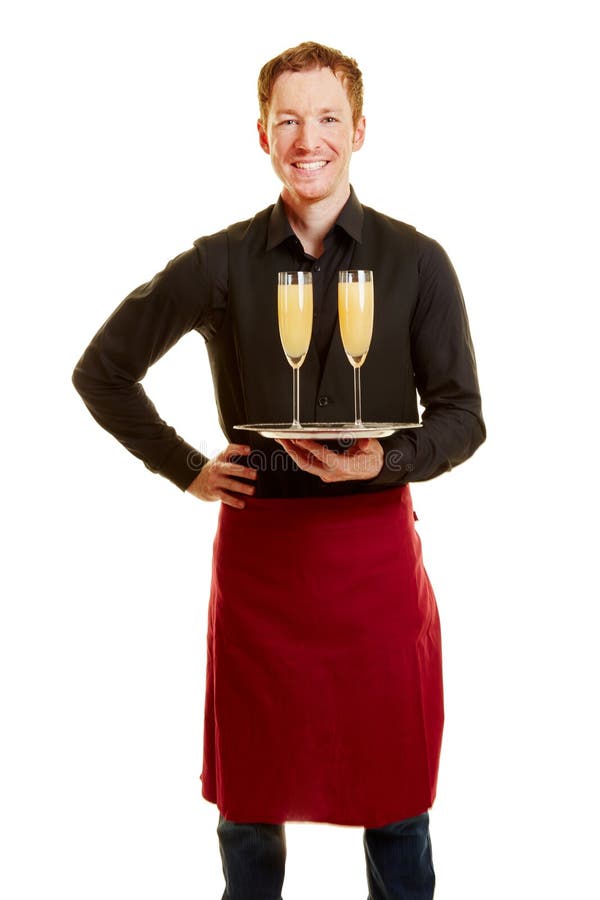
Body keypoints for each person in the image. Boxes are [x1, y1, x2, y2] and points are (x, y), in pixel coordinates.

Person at [73, 40, 485, 900]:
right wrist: (184, 467)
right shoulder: (222, 261)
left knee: (397, 798)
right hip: (262, 564)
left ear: (360, 130)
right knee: (251, 808)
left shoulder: (417, 262)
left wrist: (386, 457)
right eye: (288, 119)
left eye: (328, 118)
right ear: (260, 133)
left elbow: (463, 418)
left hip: (372, 560)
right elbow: (102, 370)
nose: (309, 138)